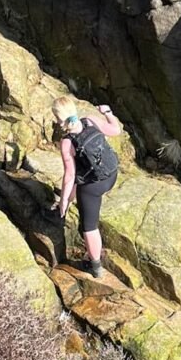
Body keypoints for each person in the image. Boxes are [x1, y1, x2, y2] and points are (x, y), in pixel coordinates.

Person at [51, 96, 122, 279]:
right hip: (112, 174)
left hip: (93, 187)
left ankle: (95, 266)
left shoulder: (67, 142)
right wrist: (108, 113)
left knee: (89, 227)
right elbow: (116, 129)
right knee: (80, 180)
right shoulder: (90, 120)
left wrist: (64, 202)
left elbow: (69, 177)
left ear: (59, 120)